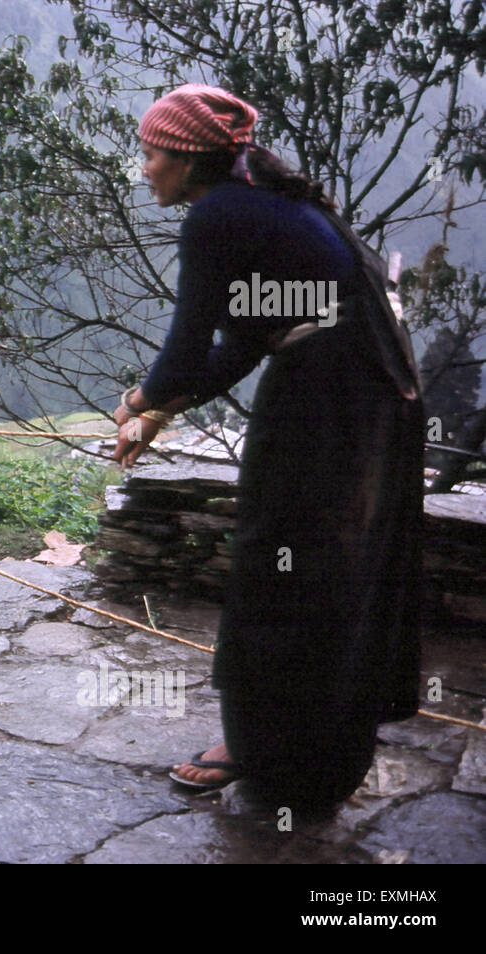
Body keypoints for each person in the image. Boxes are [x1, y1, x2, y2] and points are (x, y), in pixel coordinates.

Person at [113, 84, 424, 808]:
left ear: (190, 161)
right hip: (366, 396)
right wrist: (159, 415)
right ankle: (315, 747)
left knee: (274, 561)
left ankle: (261, 746)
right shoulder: (267, 197)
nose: (146, 170)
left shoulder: (218, 215)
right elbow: (251, 337)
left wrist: (136, 402)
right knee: (325, 569)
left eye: (153, 154)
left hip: (327, 403)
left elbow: (188, 350)